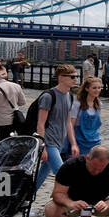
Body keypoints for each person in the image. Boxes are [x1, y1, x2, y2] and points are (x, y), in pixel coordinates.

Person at [34, 64, 80, 197]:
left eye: (76, 76)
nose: (75, 79)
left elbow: (68, 122)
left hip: (60, 141)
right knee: (62, 173)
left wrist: (73, 143)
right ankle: (71, 205)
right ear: (61, 78)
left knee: (42, 174)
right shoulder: (49, 96)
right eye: (72, 77)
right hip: (49, 141)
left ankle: (24, 199)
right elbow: (40, 124)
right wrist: (42, 146)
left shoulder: (70, 96)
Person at [0, 64, 27, 142]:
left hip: (0, 122)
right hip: (15, 120)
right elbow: (22, 102)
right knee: (9, 142)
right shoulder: (16, 85)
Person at [72, 77, 104, 153]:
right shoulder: (77, 104)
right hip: (80, 140)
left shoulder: (99, 104)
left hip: (94, 140)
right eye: (94, 88)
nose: (97, 90)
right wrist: (73, 143)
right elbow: (71, 125)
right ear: (87, 89)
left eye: (99, 88)